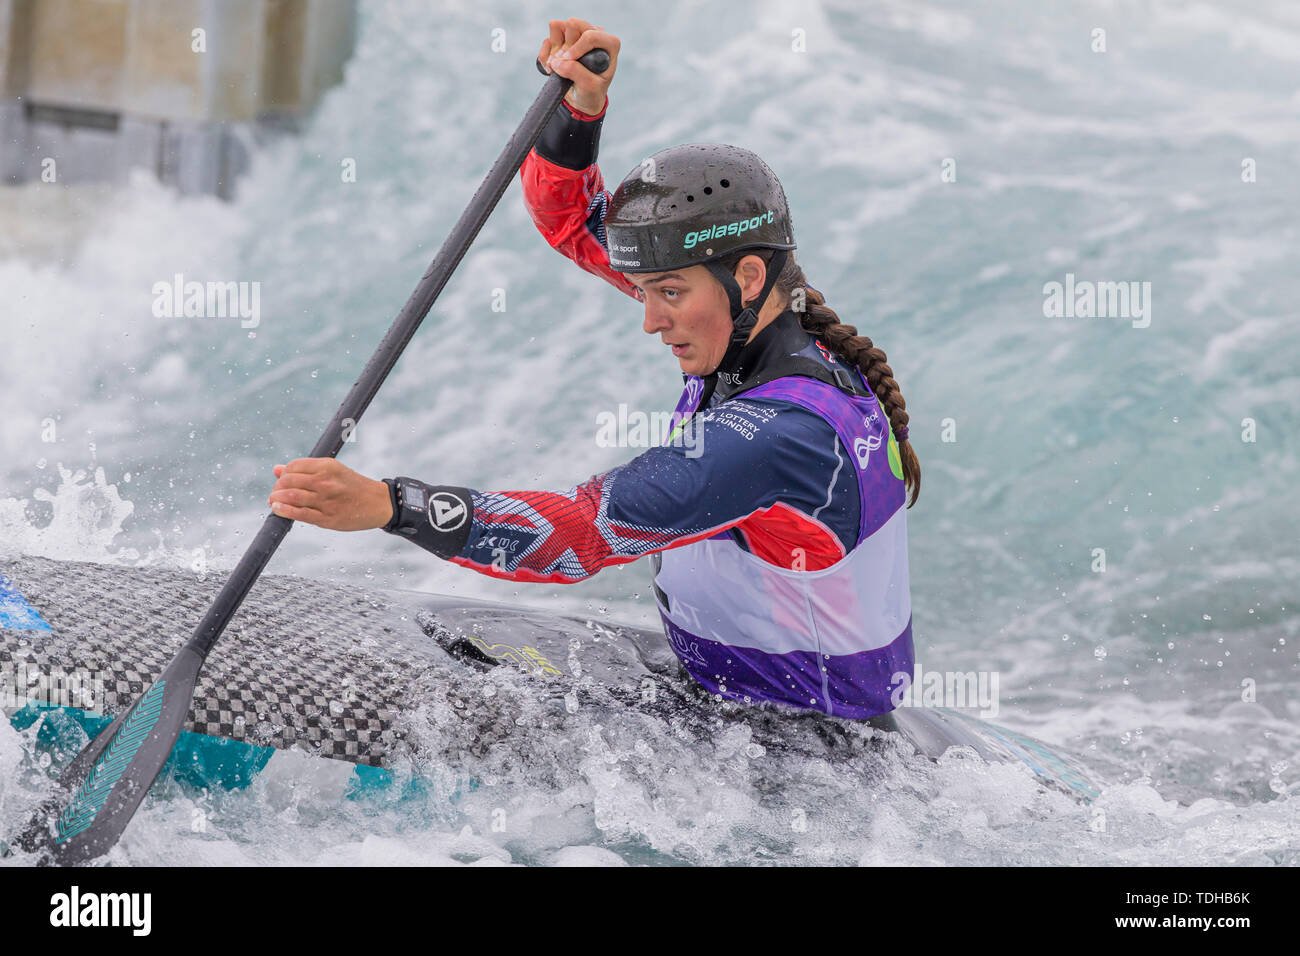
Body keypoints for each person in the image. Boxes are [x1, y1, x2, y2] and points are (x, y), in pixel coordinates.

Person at [267, 18, 921, 719]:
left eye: (667, 293)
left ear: (749, 275)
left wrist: (394, 506)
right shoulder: (746, 324)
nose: (650, 317)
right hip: (735, 689)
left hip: (813, 745)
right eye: (647, 291)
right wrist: (577, 115)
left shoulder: (781, 432)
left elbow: (582, 533)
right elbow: (574, 227)